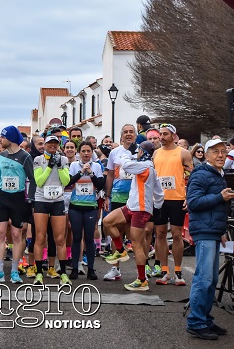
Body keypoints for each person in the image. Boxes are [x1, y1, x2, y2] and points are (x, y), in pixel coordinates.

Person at [186, 139, 234, 340]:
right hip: (204, 232)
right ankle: (196, 322)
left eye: (223, 151)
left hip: (212, 231)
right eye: (215, 152)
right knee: (204, 278)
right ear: (205, 155)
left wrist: (221, 230)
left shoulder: (217, 174)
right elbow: (194, 202)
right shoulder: (201, 174)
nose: (221, 155)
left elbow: (216, 208)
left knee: (211, 279)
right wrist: (219, 197)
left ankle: (204, 319)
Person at [103, 141, 164, 291]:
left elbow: (126, 165)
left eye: (139, 151)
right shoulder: (149, 167)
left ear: (144, 152)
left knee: (137, 244)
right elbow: (159, 193)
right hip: (132, 206)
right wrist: (156, 206)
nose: (137, 153)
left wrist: (125, 153)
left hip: (140, 209)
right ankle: (120, 250)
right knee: (107, 221)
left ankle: (142, 279)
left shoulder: (146, 166)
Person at [0, 126, 33, 285]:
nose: (0, 140)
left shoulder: (25, 156)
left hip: (18, 199)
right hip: (3, 197)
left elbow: (32, 179)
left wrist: (30, 199)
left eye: (2, 138)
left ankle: (14, 271)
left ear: (11, 139)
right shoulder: (2, 155)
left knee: (16, 235)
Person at [152, 123, 193, 286]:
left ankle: (177, 271)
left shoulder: (183, 153)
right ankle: (164, 271)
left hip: (177, 198)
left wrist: (189, 196)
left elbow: (191, 176)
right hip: (159, 199)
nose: (161, 137)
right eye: (160, 134)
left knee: (176, 234)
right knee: (160, 233)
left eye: (165, 134)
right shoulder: (156, 153)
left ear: (173, 136)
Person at [32, 135, 71, 286]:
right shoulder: (38, 160)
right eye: (50, 144)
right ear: (45, 145)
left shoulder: (63, 160)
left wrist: (60, 167)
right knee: (40, 238)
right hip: (41, 200)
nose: (52, 146)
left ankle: (63, 275)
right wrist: (49, 167)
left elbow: (66, 181)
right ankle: (39, 274)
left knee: (60, 239)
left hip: (57, 201)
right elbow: (39, 181)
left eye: (55, 144)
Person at [67, 142, 105, 280]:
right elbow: (69, 182)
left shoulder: (96, 166)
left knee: (89, 239)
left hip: (90, 207)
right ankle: (75, 269)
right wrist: (81, 172)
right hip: (75, 206)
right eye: (83, 151)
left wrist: (91, 173)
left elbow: (101, 185)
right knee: (76, 238)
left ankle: (91, 269)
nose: (86, 153)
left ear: (92, 152)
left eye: (88, 151)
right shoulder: (73, 165)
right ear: (79, 153)